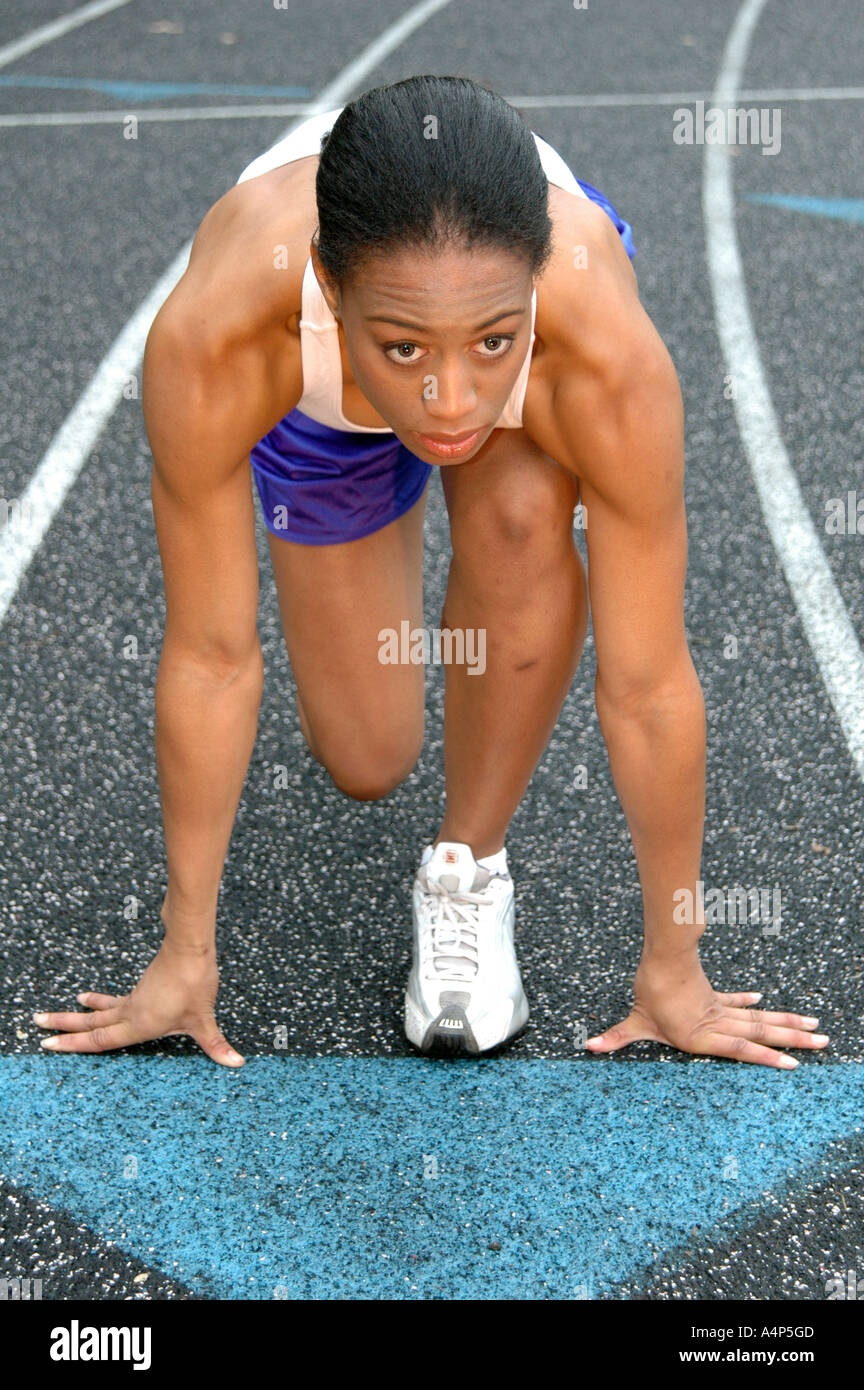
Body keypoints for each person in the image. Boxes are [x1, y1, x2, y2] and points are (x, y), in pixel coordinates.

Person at [33, 75, 828, 1069]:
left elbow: (648, 683)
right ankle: (393, 400)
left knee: (521, 514)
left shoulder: (600, 350)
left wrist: (676, 964)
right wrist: (184, 952)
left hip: (515, 379)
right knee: (367, 757)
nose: (451, 401)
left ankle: (467, 868)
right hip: (321, 398)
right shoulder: (221, 337)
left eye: (490, 343)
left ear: (535, 285)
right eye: (405, 347)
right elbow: (212, 654)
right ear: (327, 285)